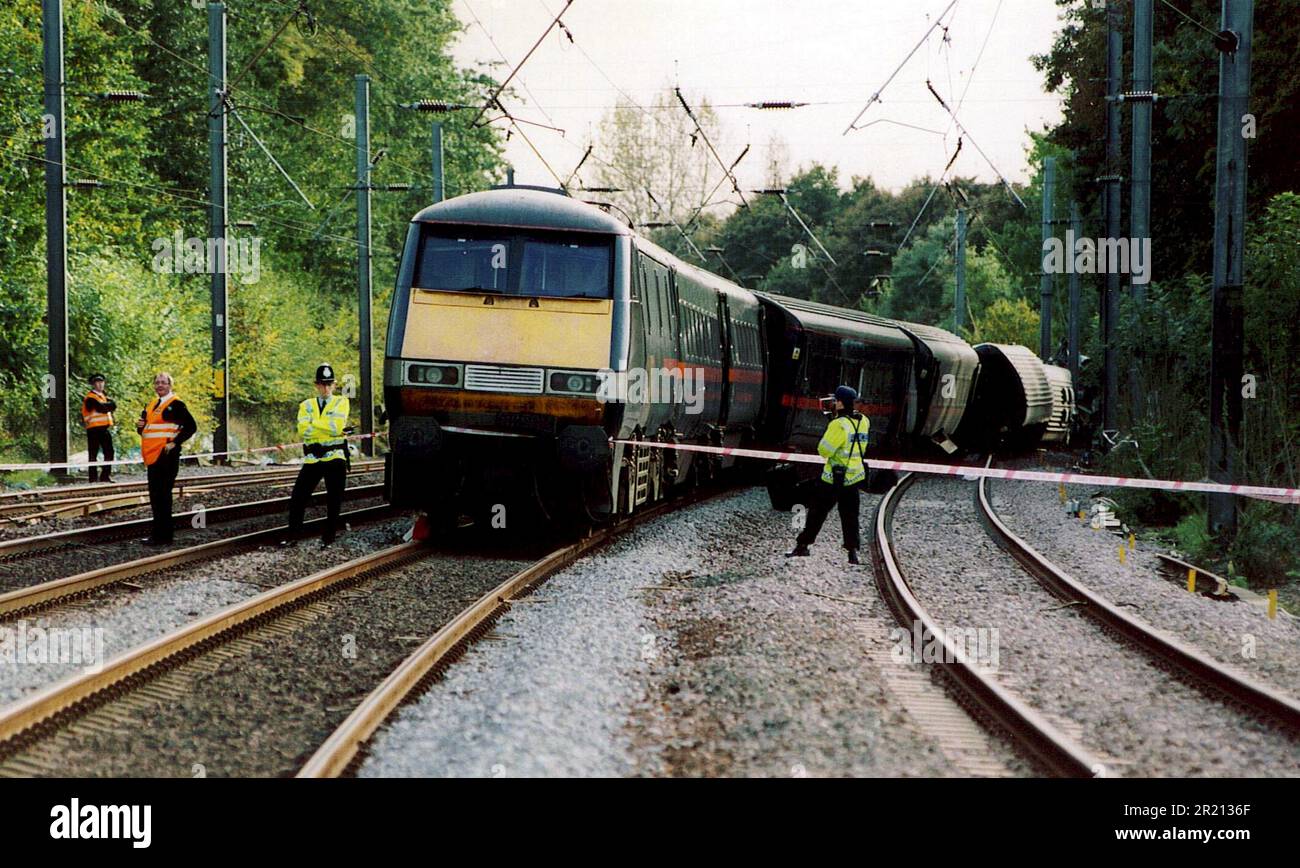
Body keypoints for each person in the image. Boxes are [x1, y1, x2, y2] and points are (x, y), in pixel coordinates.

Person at [786, 385, 870, 565]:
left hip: (833, 479)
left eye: (835, 401)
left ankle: (803, 546)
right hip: (854, 478)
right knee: (850, 516)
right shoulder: (863, 421)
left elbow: (824, 450)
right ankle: (852, 553)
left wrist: (833, 426)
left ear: (840, 403)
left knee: (817, 513)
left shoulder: (838, 425)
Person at [284, 364, 351, 547]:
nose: (326, 388)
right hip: (313, 457)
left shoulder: (342, 402)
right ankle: (293, 536)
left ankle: (328, 538)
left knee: (334, 499)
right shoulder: (306, 405)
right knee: (298, 497)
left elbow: (336, 426)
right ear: (316, 385)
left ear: (334, 385)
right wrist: (326, 425)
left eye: (329, 384)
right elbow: (303, 430)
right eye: (322, 384)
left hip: (335, 457)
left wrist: (315, 424)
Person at [136, 372, 197, 546]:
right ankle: (159, 535)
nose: (160, 385)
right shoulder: (152, 405)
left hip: (166, 456)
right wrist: (140, 428)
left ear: (170, 385)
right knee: (156, 496)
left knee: (162, 496)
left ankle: (163, 536)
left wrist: (175, 443)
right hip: (152, 456)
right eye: (157, 382)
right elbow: (147, 430)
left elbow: (191, 427)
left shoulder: (176, 404)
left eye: (163, 382)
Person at [82, 374, 117, 483]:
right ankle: (93, 478)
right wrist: (108, 406)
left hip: (104, 428)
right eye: (97, 382)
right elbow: (102, 408)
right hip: (94, 429)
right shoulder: (90, 398)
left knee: (109, 452)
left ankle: (105, 476)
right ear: (93, 384)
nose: (100, 384)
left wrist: (108, 405)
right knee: (93, 453)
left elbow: (113, 405)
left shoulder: (103, 396)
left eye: (101, 382)